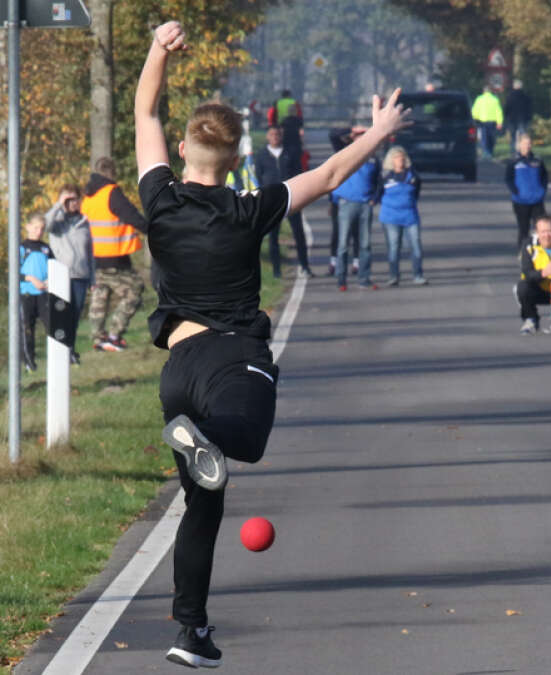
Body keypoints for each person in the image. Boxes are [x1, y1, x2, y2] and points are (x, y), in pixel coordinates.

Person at [136, 20, 410, 667]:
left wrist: (158, 49)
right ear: (235, 161)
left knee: (205, 499)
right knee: (245, 442)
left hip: (179, 368)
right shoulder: (250, 207)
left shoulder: (160, 201)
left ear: (182, 148)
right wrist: (380, 129)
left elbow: (145, 108)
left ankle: (191, 630)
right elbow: (334, 171)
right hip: (233, 362)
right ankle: (210, 440)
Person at [81, 156, 148, 353]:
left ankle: (98, 338)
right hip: (113, 257)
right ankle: (114, 335)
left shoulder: (88, 196)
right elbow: (132, 216)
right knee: (135, 289)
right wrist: (153, 230)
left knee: (100, 296)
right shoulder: (111, 192)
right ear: (112, 172)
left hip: (93, 259)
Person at [254, 125, 313, 279]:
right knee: (273, 236)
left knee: (298, 233)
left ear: (281, 136)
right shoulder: (261, 155)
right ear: (267, 136)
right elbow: (259, 175)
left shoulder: (290, 153)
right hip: (272, 199)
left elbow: (298, 172)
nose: (275, 137)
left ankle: (304, 266)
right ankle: (276, 271)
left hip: (291, 196)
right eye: (272, 134)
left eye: (277, 134)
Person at [45, 184, 91, 364]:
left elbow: (90, 251)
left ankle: (70, 351)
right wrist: (59, 205)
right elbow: (46, 223)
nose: (72, 203)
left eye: (75, 199)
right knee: (61, 317)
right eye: (68, 200)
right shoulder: (57, 223)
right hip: (61, 277)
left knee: (75, 316)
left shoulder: (84, 222)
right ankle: (60, 354)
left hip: (81, 276)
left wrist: (92, 277)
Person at [331, 139, 381, 291]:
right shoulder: (344, 156)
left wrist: (375, 199)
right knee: (343, 244)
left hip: (365, 204)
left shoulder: (372, 159)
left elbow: (380, 181)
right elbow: (335, 135)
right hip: (346, 203)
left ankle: (364, 278)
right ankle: (341, 279)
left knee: (365, 243)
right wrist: (333, 201)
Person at [379, 146, 427, 286]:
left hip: (410, 216)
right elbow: (378, 192)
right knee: (394, 247)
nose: (400, 160)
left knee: (416, 246)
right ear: (391, 160)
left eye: (402, 157)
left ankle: (418, 275)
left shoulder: (412, 176)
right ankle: (394, 276)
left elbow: (416, 192)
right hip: (390, 217)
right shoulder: (385, 176)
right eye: (397, 157)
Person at [326, 127, 365, 276]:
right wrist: (351, 130)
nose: (360, 138)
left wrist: (373, 197)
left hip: (358, 199)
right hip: (338, 199)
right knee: (337, 232)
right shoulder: (343, 151)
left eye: (363, 136)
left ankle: (356, 262)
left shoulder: (366, 154)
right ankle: (334, 262)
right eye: (358, 136)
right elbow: (333, 134)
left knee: (356, 233)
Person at [18, 215, 53, 371]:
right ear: (28, 227)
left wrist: (49, 281)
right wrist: (31, 279)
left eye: (42, 229)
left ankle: (61, 357)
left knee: (52, 324)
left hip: (43, 294)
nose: (38, 232)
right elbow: (14, 273)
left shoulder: (46, 248)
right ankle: (29, 362)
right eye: (36, 228)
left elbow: (53, 267)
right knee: (27, 329)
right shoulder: (22, 248)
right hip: (26, 294)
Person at [506, 132, 548, 249]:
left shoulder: (537, 160)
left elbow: (544, 176)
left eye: (529, 144)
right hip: (520, 201)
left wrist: (542, 190)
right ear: (519, 145)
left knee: (540, 228)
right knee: (524, 229)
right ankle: (523, 254)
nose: (527, 146)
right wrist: (515, 191)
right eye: (525, 144)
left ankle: (540, 252)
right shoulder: (513, 161)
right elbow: (508, 178)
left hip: (536, 200)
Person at [471, 86, 503, 159]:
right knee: (491, 137)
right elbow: (498, 111)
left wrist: (474, 119)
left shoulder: (479, 99)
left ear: (483, 91)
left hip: (482, 122)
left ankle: (486, 152)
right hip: (492, 122)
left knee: (484, 138)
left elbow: (475, 111)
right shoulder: (494, 99)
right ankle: (490, 151)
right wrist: (499, 122)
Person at [503, 80, 532, 156]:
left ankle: (513, 152)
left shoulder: (509, 96)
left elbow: (506, 108)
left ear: (514, 86)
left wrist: (506, 117)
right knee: (523, 136)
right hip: (522, 119)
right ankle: (524, 152)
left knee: (513, 137)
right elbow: (529, 109)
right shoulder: (525, 96)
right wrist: (528, 118)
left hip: (512, 120)